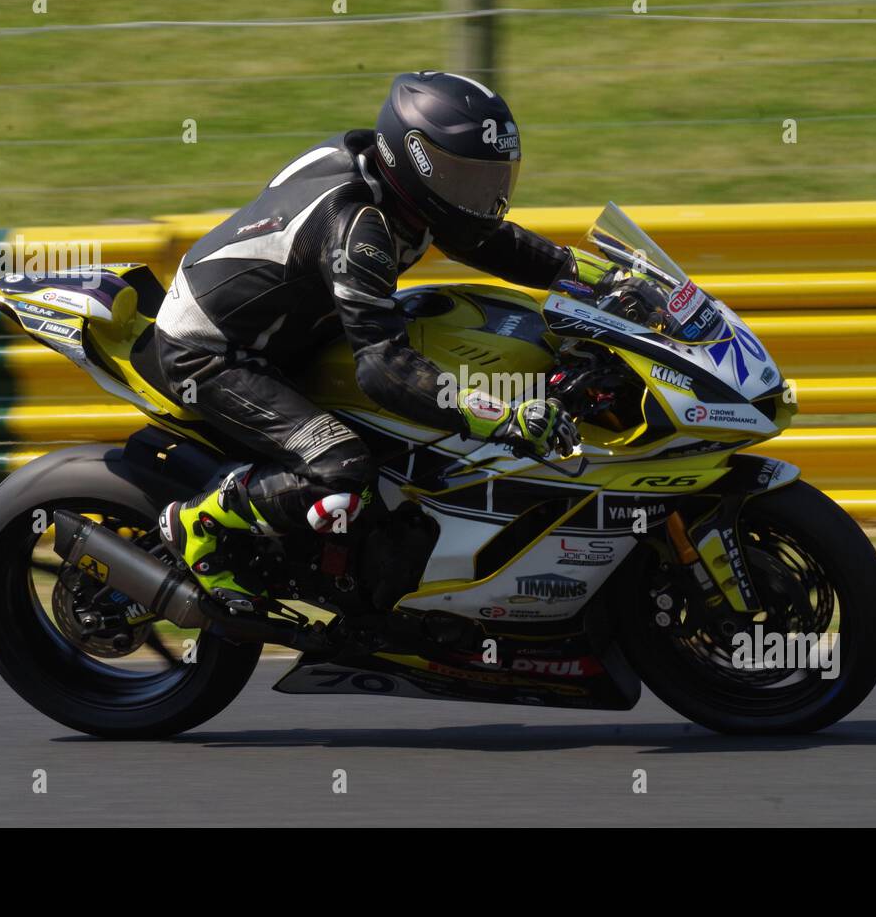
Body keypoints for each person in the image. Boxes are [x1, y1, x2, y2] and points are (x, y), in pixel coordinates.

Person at [152, 70, 580, 600]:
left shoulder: (402, 187)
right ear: (419, 162)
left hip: (291, 331)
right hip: (213, 353)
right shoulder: (360, 227)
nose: (482, 199)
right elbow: (382, 367)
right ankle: (201, 524)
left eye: (491, 182)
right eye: (466, 180)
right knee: (344, 465)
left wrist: (585, 276)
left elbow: (488, 242)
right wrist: (502, 415)